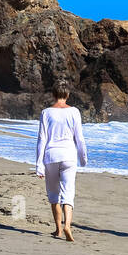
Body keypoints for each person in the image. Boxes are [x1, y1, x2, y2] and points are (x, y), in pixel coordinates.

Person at [34, 84, 88, 241]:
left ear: (53, 94)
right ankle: (67, 226)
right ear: (68, 95)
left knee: (53, 194)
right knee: (68, 192)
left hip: (51, 156)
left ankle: (58, 229)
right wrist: (83, 158)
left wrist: (39, 165)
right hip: (69, 156)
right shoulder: (74, 112)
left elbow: (41, 139)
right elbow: (79, 138)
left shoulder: (46, 113)